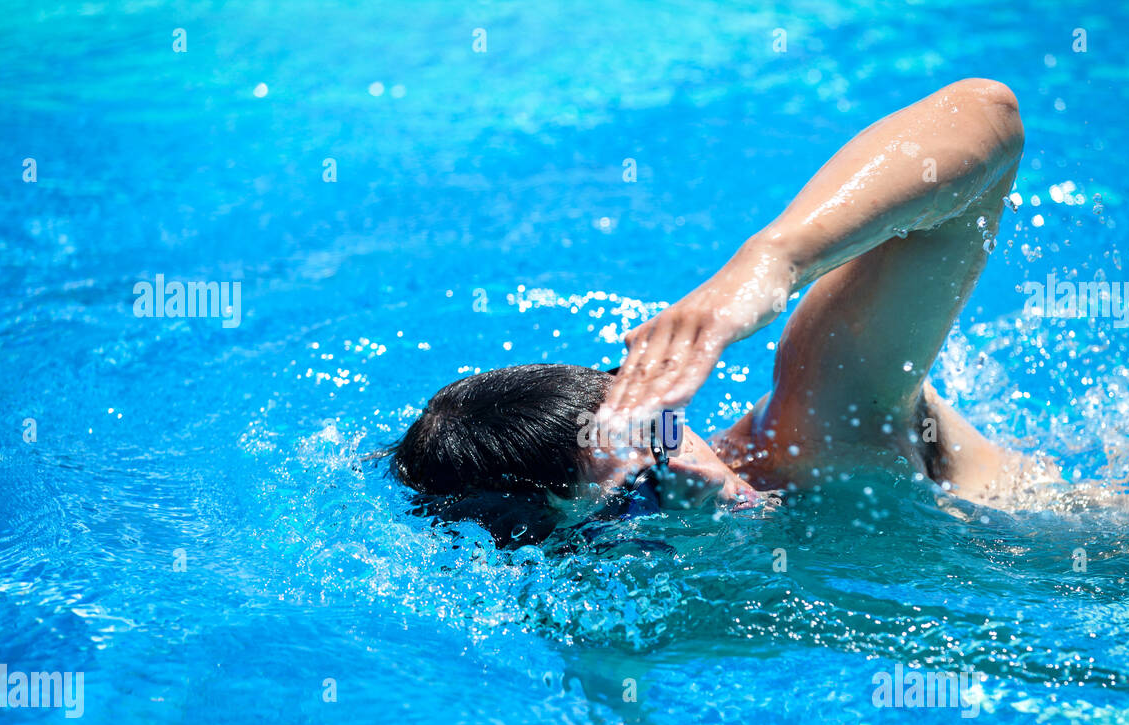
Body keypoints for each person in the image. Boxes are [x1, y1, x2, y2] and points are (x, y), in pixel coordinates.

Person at [384, 78, 1049, 544]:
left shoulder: (818, 425)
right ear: (569, 546)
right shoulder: (640, 609)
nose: (699, 476)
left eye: (666, 437)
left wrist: (774, 258)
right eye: (641, 497)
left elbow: (990, 118)